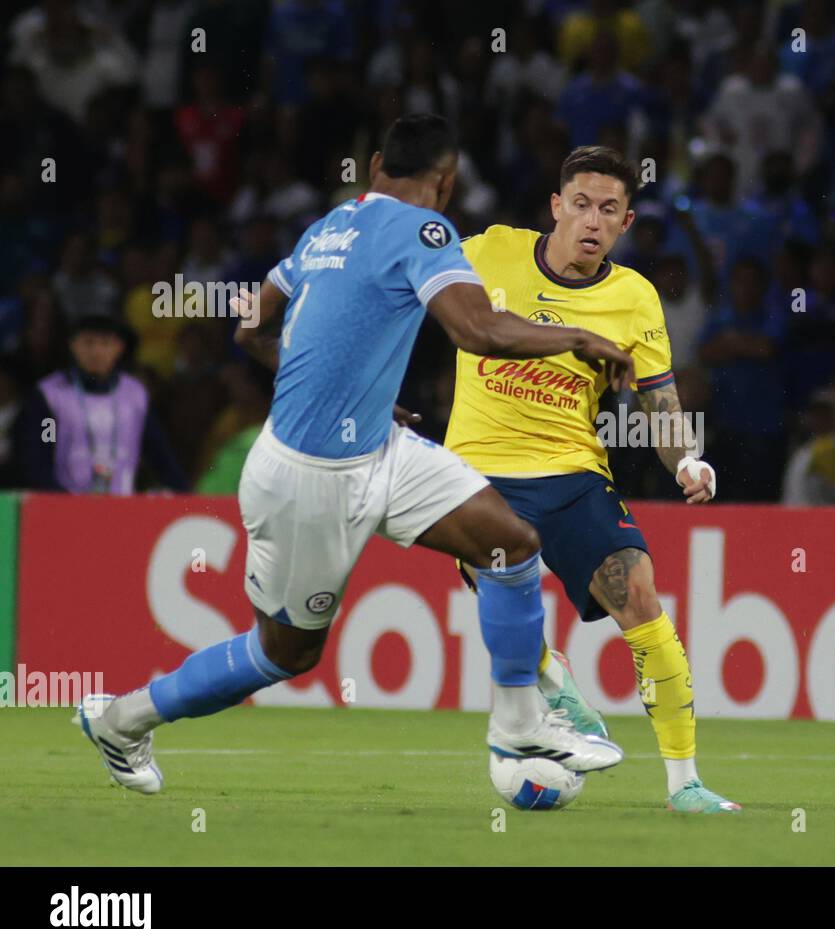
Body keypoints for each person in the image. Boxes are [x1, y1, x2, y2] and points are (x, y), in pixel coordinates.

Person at [75, 114, 633, 794]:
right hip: (309, 480)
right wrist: (576, 337)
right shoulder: (424, 230)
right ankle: (123, 720)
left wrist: (343, 388)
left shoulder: (328, 227)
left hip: (378, 446)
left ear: (375, 168)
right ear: (447, 185)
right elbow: (477, 330)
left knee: (510, 544)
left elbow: (252, 325)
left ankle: (519, 722)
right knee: (284, 654)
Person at [443, 146, 740, 813]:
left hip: (572, 474)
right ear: (555, 206)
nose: (592, 221)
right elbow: (407, 259)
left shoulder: (634, 299)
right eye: (580, 204)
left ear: (626, 221)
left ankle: (685, 782)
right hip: (474, 475)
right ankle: (551, 676)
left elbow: (660, 405)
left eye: (608, 210)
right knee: (496, 580)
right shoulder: (488, 251)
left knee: (640, 595)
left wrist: (687, 459)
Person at [20, 314, 187, 494]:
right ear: (73, 345)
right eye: (88, 342)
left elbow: (158, 452)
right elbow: (42, 453)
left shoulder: (135, 396)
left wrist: (182, 492)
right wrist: (58, 499)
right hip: (67, 505)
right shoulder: (52, 397)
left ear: (119, 347)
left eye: (105, 343)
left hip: (122, 506)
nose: (96, 351)